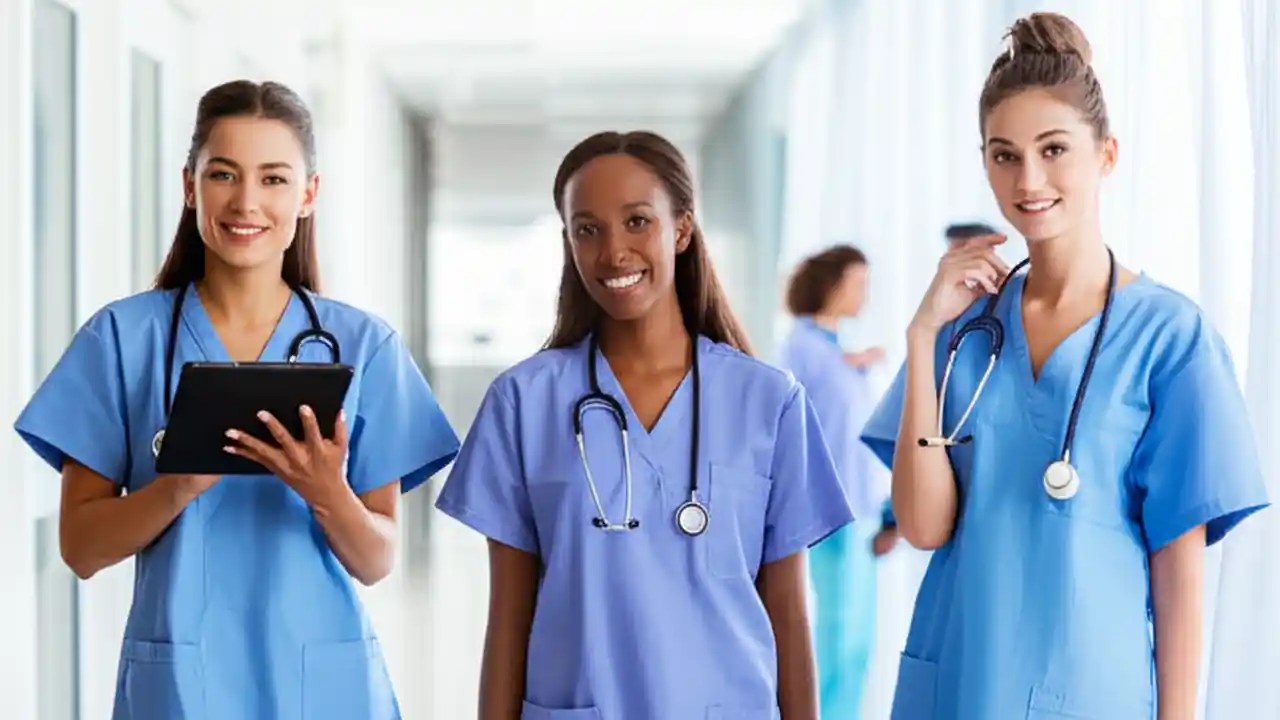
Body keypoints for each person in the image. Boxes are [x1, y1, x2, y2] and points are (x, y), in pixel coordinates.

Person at [859, 13, 1269, 720]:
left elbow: (1180, 567)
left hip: (1093, 689)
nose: (1030, 179)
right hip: (962, 678)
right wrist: (922, 332)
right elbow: (924, 528)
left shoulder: (1169, 337)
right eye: (1004, 155)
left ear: (1106, 155)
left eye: (1054, 150)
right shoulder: (960, 328)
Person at [13, 80, 460, 720]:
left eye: (274, 179)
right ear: (191, 186)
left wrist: (326, 489)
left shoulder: (362, 346)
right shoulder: (122, 338)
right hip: (181, 686)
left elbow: (376, 560)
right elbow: (81, 548)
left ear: (308, 195)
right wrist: (177, 486)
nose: (246, 201)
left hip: (323, 688)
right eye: (224, 174)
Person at [435, 130, 854, 720]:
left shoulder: (769, 401)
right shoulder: (523, 402)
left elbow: (789, 612)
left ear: (680, 229)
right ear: (568, 243)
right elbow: (508, 617)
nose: (613, 251)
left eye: (637, 222)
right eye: (588, 229)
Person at [779, 245, 891, 719]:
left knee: (858, 637)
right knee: (838, 635)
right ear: (831, 285)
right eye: (857, 283)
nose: (864, 294)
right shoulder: (803, 347)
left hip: (861, 510)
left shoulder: (833, 349)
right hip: (831, 513)